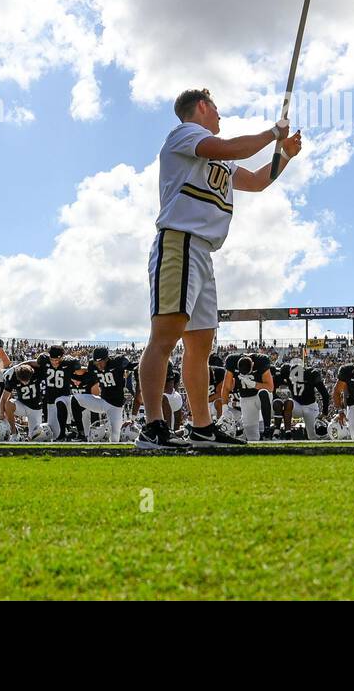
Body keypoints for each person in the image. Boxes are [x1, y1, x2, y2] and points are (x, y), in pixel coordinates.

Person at [138, 89, 301, 450]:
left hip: (203, 252)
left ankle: (202, 427)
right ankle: (152, 427)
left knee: (200, 344)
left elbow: (257, 181)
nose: (220, 115)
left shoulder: (220, 160)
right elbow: (232, 148)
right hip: (180, 242)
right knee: (164, 338)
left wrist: (284, 155)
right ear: (202, 107)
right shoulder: (185, 134)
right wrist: (273, 133)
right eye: (216, 108)